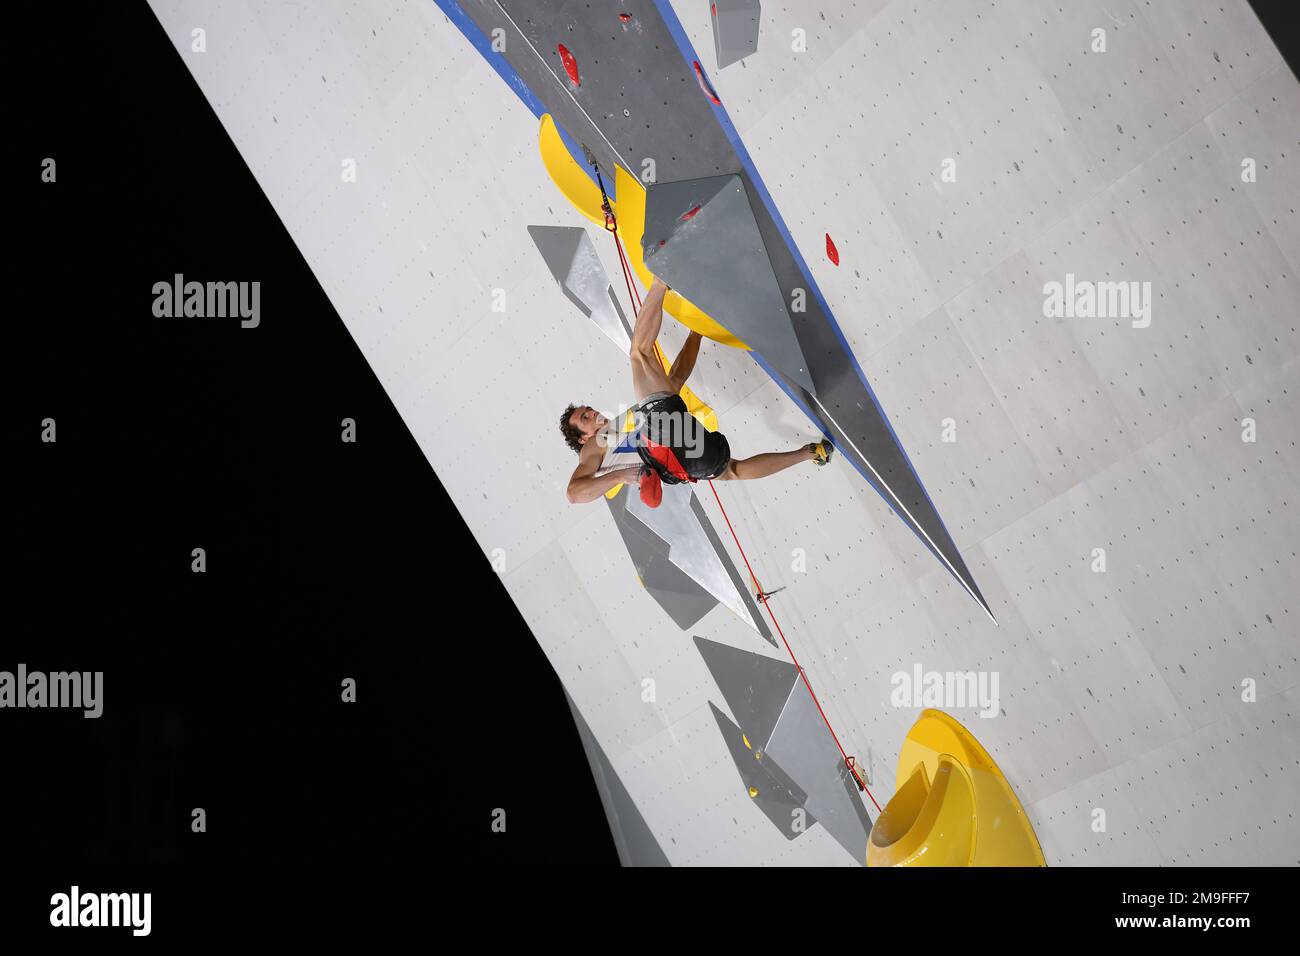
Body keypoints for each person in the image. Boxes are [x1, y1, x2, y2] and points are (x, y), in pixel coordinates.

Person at [561, 276, 832, 505]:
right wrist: (618, 477)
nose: (593, 413)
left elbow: (676, 378)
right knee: (639, 354)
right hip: (663, 448)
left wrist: (697, 332)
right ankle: (661, 278)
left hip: (686, 466)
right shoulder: (593, 449)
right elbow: (573, 494)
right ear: (583, 439)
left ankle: (811, 453)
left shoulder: (620, 437)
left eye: (588, 410)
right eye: (585, 419)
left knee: (734, 471)